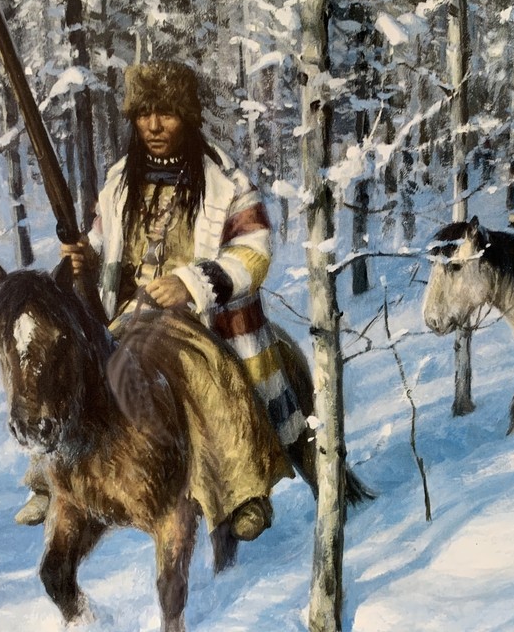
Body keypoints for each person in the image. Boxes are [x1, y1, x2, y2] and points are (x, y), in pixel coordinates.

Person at [15, 60, 304, 542]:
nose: (152, 126)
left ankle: (244, 490)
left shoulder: (225, 183)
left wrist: (191, 281)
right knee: (69, 360)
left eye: (166, 114)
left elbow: (254, 252)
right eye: (143, 114)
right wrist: (86, 254)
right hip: (128, 314)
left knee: (204, 369)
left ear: (187, 117)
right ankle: (51, 475)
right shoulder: (119, 180)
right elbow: (105, 242)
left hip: (201, 315)